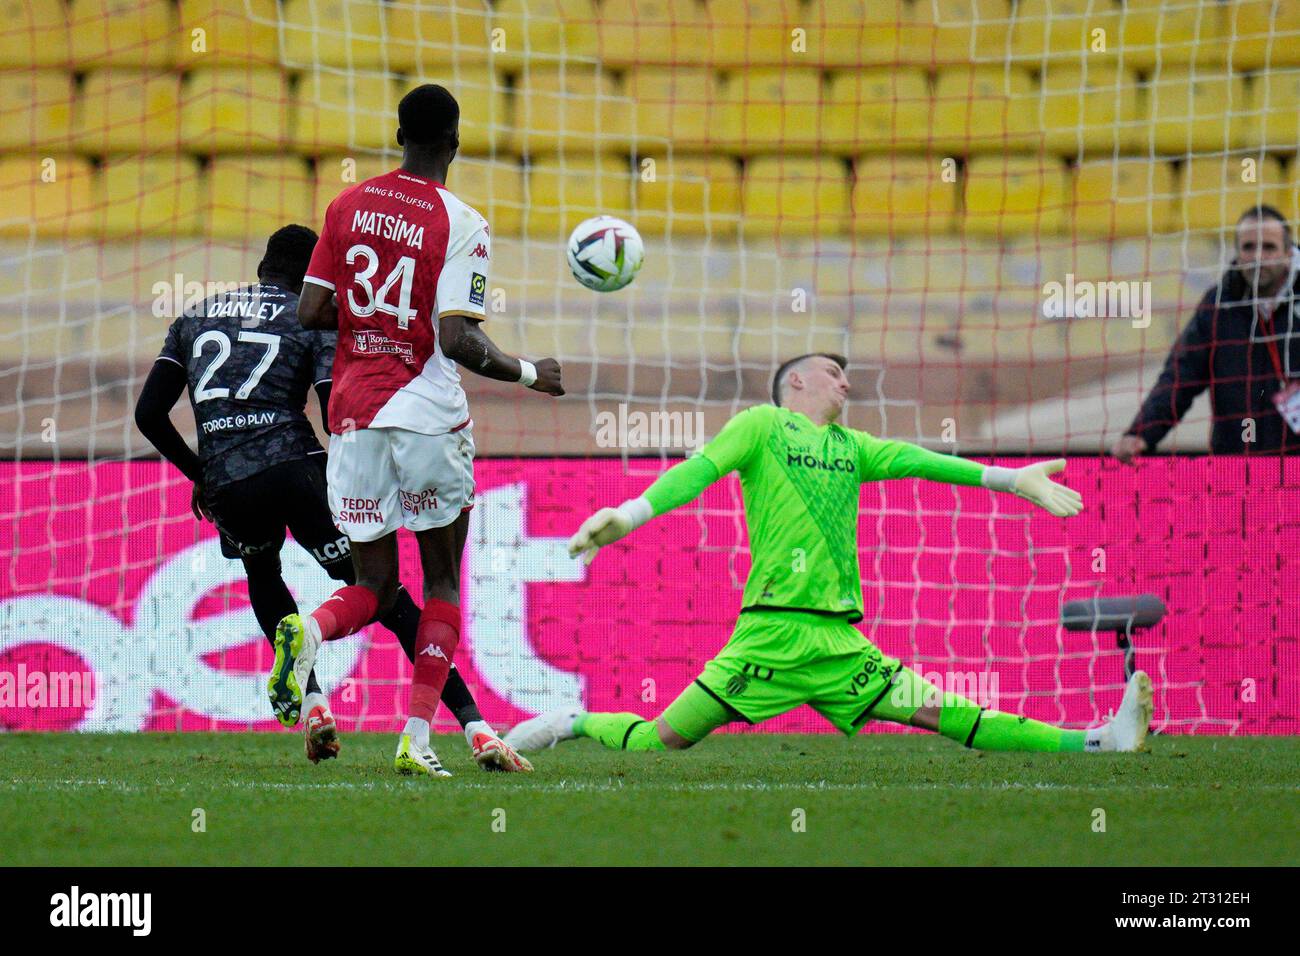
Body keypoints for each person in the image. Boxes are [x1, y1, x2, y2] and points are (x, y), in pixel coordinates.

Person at [506, 353, 1153, 756]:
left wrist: (1013, 481)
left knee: (951, 714)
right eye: (832, 372)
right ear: (795, 381)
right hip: (769, 637)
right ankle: (574, 722)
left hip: (841, 647)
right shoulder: (761, 425)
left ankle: (1100, 740)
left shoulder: (855, 446)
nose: (845, 382)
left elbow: (926, 463)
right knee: (660, 740)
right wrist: (629, 514)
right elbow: (698, 472)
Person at [135, 225, 526, 770]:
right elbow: (333, 407)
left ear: (262, 268)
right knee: (381, 592)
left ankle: (315, 702)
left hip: (228, 480)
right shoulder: (311, 316)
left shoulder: (193, 317)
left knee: (263, 576)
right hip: (298, 470)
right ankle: (473, 724)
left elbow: (147, 415)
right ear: (311, 275)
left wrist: (201, 472)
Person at [269, 85, 564, 778]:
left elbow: (311, 310)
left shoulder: (345, 205)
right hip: (427, 417)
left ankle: (307, 629)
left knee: (373, 584)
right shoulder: (462, 222)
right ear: (454, 143)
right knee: (440, 584)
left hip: (352, 415)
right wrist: (529, 372)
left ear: (398, 133)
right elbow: (458, 340)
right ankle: (415, 737)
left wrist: (371, 328)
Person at [1112, 204, 1300, 460]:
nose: (1257, 257)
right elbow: (1181, 373)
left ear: (1289, 253)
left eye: (1268, 247)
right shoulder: (1219, 304)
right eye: (1248, 247)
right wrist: (1141, 431)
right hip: (1235, 464)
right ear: (1236, 253)